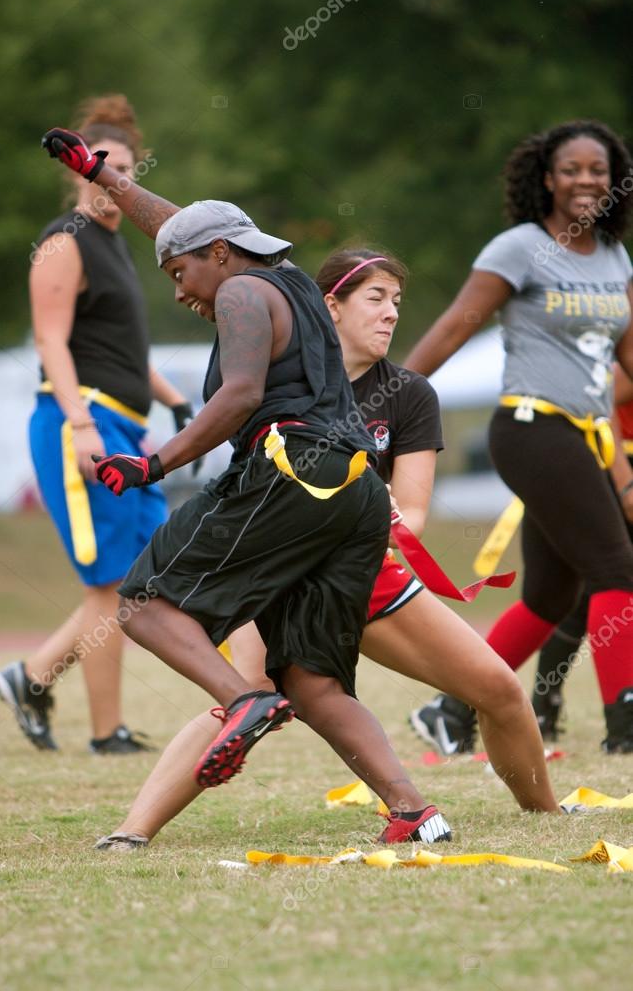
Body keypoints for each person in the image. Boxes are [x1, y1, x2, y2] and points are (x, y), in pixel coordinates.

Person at [39, 124, 454, 842]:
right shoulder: (285, 279)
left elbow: (236, 397)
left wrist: (154, 463)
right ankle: (415, 811)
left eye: (179, 275)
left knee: (141, 601)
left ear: (222, 257)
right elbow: (184, 229)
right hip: (354, 490)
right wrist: (107, 179)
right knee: (312, 679)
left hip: (290, 469)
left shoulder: (236, 293)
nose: (178, 293)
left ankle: (240, 701)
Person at [92, 247, 558, 853]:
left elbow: (412, 510)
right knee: (248, 694)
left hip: (365, 566)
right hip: (278, 558)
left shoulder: (408, 394)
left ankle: (544, 815)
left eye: (396, 301)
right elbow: (210, 243)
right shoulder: (280, 361)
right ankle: (133, 831)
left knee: (496, 689)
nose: (391, 314)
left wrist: (358, 508)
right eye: (375, 299)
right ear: (326, 305)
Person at [407, 119, 633, 755]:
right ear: (546, 179)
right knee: (618, 567)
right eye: (572, 169)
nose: (586, 180)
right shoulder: (520, 247)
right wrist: (387, 392)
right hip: (534, 428)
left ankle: (450, 710)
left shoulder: (616, 256)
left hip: (589, 436)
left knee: (551, 593)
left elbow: (628, 353)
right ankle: (626, 722)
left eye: (598, 170)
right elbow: (456, 325)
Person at [0, 95, 193, 754]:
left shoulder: (116, 243)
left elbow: (126, 351)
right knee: (110, 585)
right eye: (100, 167)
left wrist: (175, 400)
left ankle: (31, 676)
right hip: (82, 422)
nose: (113, 179)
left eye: (127, 169)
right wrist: (83, 427)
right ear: (78, 171)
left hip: (125, 427)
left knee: (141, 577)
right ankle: (107, 733)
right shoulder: (63, 241)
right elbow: (52, 345)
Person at [531, 364, 633, 739]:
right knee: (589, 593)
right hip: (612, 468)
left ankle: (543, 706)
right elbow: (601, 406)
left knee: (587, 595)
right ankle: (545, 705)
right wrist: (625, 485)